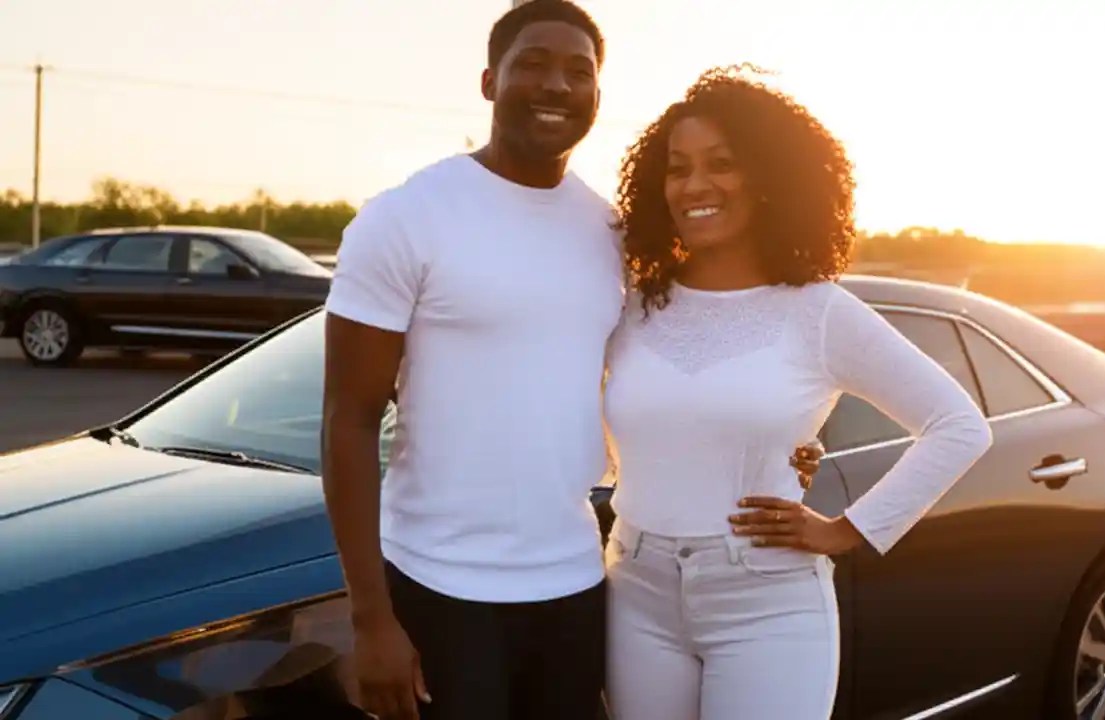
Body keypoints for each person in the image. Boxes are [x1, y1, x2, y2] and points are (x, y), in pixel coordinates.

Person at [319, 4, 820, 719]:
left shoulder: (613, 232)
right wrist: (371, 619)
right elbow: (349, 417)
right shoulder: (405, 217)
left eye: (577, 72)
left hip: (575, 585)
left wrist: (775, 441)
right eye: (532, 64)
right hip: (437, 584)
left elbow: (669, 368)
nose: (556, 85)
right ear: (489, 81)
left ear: (596, 95)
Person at [601, 65, 995, 720]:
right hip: (635, 590)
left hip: (765, 605)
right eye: (678, 168)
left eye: (721, 164)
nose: (695, 185)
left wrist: (848, 530)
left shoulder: (818, 311)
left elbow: (958, 425)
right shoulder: (633, 305)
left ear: (769, 179)